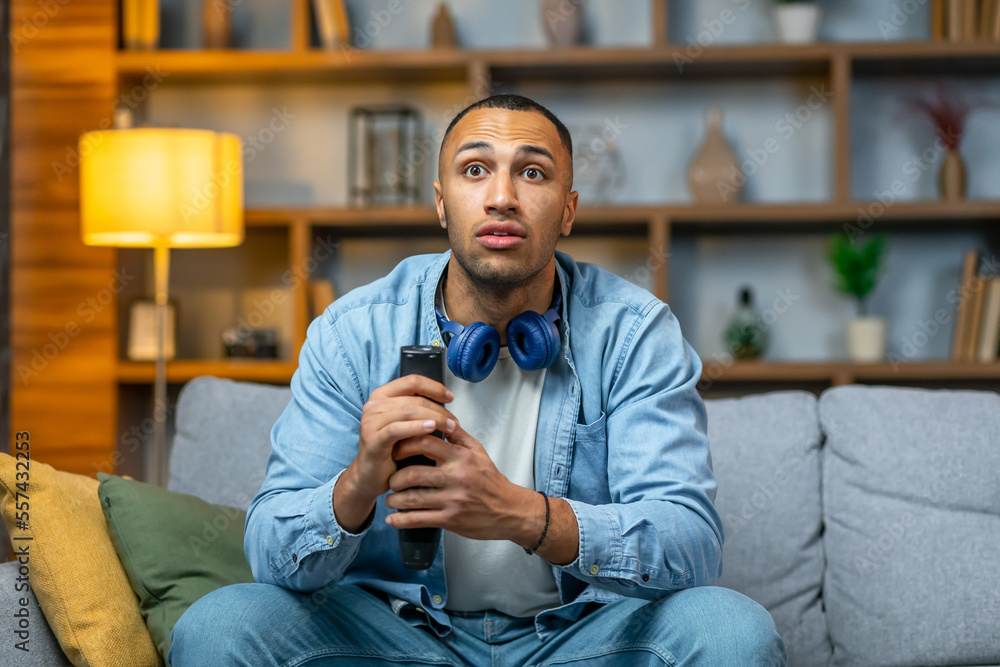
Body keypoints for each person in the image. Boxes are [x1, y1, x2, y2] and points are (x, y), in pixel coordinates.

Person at [170, 94, 785, 666]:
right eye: (474, 171)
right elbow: (270, 554)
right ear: (441, 202)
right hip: (396, 636)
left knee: (732, 631)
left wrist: (518, 513)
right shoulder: (352, 333)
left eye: (533, 173)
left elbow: (691, 543)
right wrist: (357, 483)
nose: (501, 198)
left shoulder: (633, 333)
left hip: (579, 637)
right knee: (220, 626)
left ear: (568, 210)